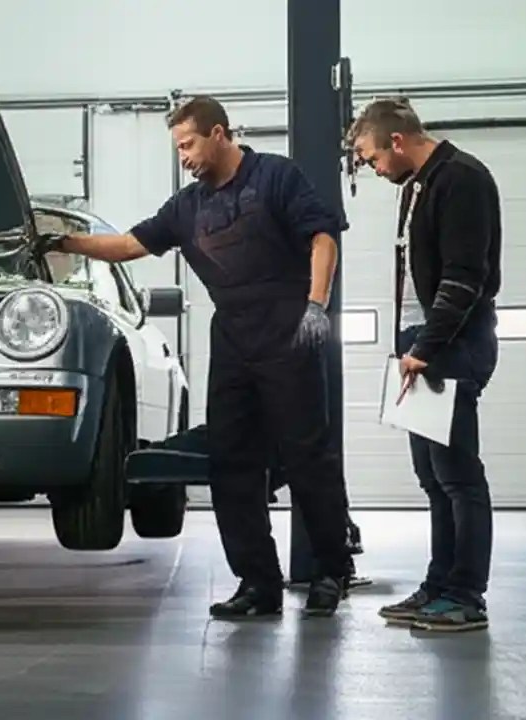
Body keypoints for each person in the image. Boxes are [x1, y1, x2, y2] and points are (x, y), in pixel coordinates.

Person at [47, 96, 353, 618]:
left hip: (290, 334)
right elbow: (128, 245)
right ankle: (259, 584)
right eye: (177, 147)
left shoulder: (276, 177)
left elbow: (323, 237)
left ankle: (331, 571)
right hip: (233, 341)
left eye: (188, 144)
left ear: (218, 133)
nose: (183, 155)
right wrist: (64, 241)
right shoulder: (186, 208)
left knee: (308, 457)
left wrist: (316, 306)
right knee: (232, 463)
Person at [345, 97, 501, 632]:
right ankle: (439, 584)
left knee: (459, 475)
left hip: (450, 345)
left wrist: (426, 348)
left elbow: (463, 278)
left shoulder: (462, 179)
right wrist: (406, 347)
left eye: (369, 158)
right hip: (420, 346)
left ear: (395, 140)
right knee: (433, 477)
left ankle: (466, 596)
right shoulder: (418, 184)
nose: (370, 168)